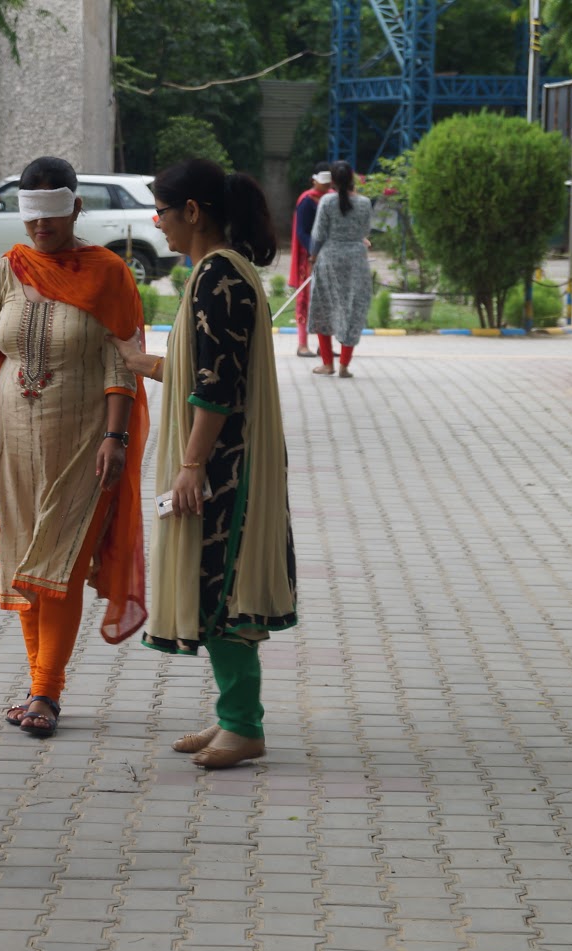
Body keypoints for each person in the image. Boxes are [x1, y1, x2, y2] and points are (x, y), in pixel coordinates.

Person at [0, 157, 148, 738]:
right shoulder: (9, 270)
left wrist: (115, 435)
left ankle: (46, 693)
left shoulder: (108, 275)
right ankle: (36, 685)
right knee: (26, 562)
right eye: (32, 219)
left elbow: (120, 361)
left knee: (63, 563)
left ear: (76, 208)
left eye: (52, 217)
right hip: (12, 445)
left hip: (82, 445)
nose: (41, 229)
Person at [113, 158, 298, 769]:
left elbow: (218, 389)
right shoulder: (218, 274)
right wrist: (144, 364)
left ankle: (245, 727)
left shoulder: (220, 278)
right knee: (215, 583)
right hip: (222, 456)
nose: (158, 224)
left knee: (222, 588)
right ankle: (232, 719)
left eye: (162, 213)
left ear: (192, 212)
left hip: (225, 463)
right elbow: (202, 370)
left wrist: (191, 466)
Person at [308, 160, 374, 378]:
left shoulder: (326, 201)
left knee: (323, 308)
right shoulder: (365, 203)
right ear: (352, 178)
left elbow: (318, 234)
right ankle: (345, 365)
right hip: (356, 260)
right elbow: (366, 230)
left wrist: (313, 257)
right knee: (352, 308)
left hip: (330, 259)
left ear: (333, 181)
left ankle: (328, 364)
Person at [289, 162, 332, 357]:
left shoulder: (332, 198)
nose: (325, 185)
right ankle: (302, 344)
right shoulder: (307, 201)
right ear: (313, 180)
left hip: (330, 256)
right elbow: (302, 231)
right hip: (310, 258)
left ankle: (325, 346)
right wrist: (315, 251)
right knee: (306, 300)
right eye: (322, 182)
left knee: (328, 300)